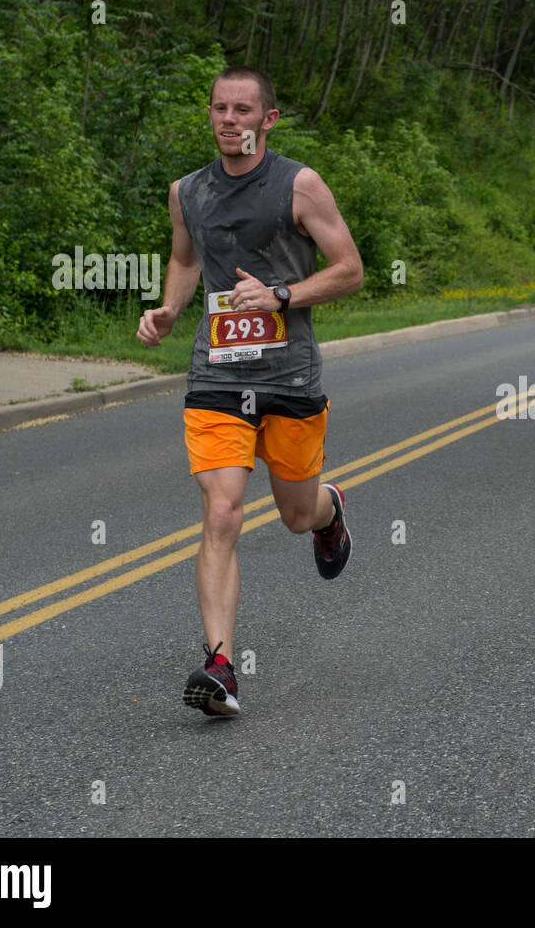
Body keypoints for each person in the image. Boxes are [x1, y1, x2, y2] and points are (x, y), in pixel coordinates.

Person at [137, 66, 364, 717]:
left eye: (243, 109)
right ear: (209, 114)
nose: (229, 119)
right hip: (217, 375)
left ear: (269, 118)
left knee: (295, 514)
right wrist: (169, 310)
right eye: (219, 108)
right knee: (221, 514)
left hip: (289, 377)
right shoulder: (188, 192)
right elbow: (185, 259)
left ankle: (328, 510)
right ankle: (221, 666)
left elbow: (349, 270)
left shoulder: (300, 185)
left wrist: (282, 294)